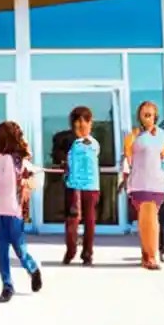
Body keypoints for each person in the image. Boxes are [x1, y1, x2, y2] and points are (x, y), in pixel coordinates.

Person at [0, 121, 43, 303]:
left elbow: (32, 175)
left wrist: (27, 181)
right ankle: (7, 286)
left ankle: (33, 269)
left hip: (13, 209)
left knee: (19, 248)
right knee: (2, 249)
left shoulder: (19, 160)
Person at [122, 101, 164, 271]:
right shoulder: (132, 136)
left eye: (150, 114)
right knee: (144, 221)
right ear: (139, 116)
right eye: (143, 114)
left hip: (157, 183)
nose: (147, 117)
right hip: (139, 182)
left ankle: (152, 256)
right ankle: (147, 255)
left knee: (152, 219)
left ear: (155, 117)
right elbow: (128, 161)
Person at [57, 106, 100, 266]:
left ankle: (87, 254)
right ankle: (71, 250)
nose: (81, 127)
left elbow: (87, 149)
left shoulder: (92, 143)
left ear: (90, 124)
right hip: (73, 186)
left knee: (89, 221)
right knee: (72, 220)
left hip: (90, 187)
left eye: (85, 123)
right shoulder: (69, 142)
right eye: (77, 124)